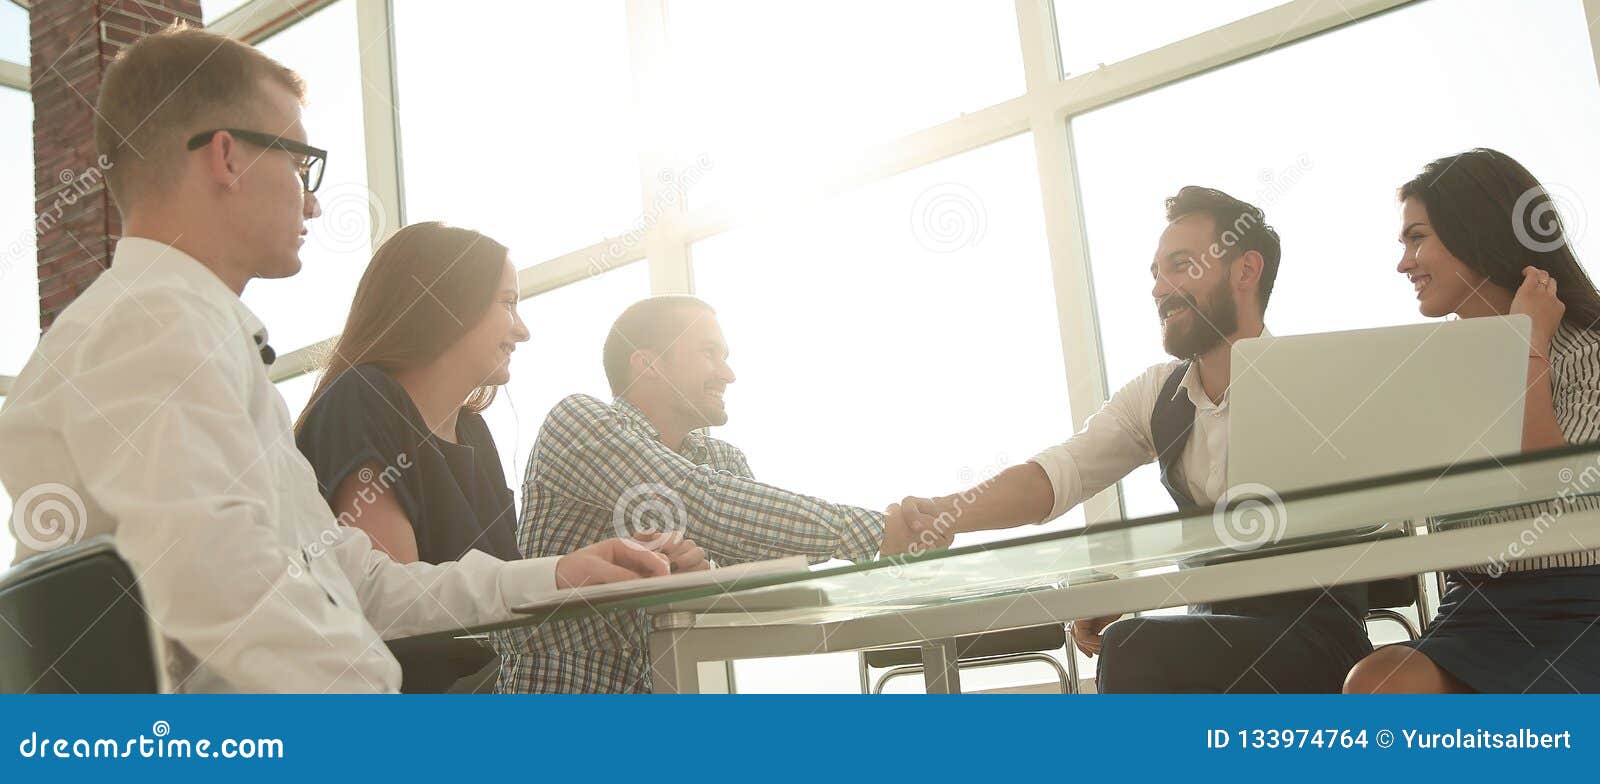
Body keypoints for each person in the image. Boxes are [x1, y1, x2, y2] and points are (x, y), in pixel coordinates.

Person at [0, 26, 664, 693]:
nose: (313, 199)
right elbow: (224, 593)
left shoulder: (174, 330)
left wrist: (552, 575)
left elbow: (356, 579)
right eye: (299, 163)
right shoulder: (151, 331)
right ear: (227, 158)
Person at [891, 187, 1372, 692]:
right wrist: (940, 514)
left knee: (1132, 646)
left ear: (1245, 270)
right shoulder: (1157, 395)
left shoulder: (1319, 382)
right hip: (1210, 639)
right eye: (1156, 272)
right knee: (1137, 645)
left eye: (1181, 265)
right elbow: (1055, 477)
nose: (1159, 289)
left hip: (1317, 645)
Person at [292, 222, 707, 691]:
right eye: (507, 303)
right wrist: (563, 577)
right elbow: (404, 613)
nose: (523, 330)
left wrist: (636, 572)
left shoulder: (473, 430)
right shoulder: (362, 401)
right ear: (446, 304)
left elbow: (500, 609)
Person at [494, 295, 947, 693]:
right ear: (647, 364)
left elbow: (762, 592)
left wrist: (705, 571)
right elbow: (700, 502)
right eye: (710, 353)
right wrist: (877, 532)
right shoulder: (578, 422)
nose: (728, 373)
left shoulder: (724, 461)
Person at [1344, 148, 1600, 693]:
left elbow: (1554, 486)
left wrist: (1527, 343)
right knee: (1375, 684)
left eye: (1417, 238)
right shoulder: (1430, 366)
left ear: (1475, 234)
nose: (1403, 262)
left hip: (1584, 603)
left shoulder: (1585, 351)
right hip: (1476, 605)